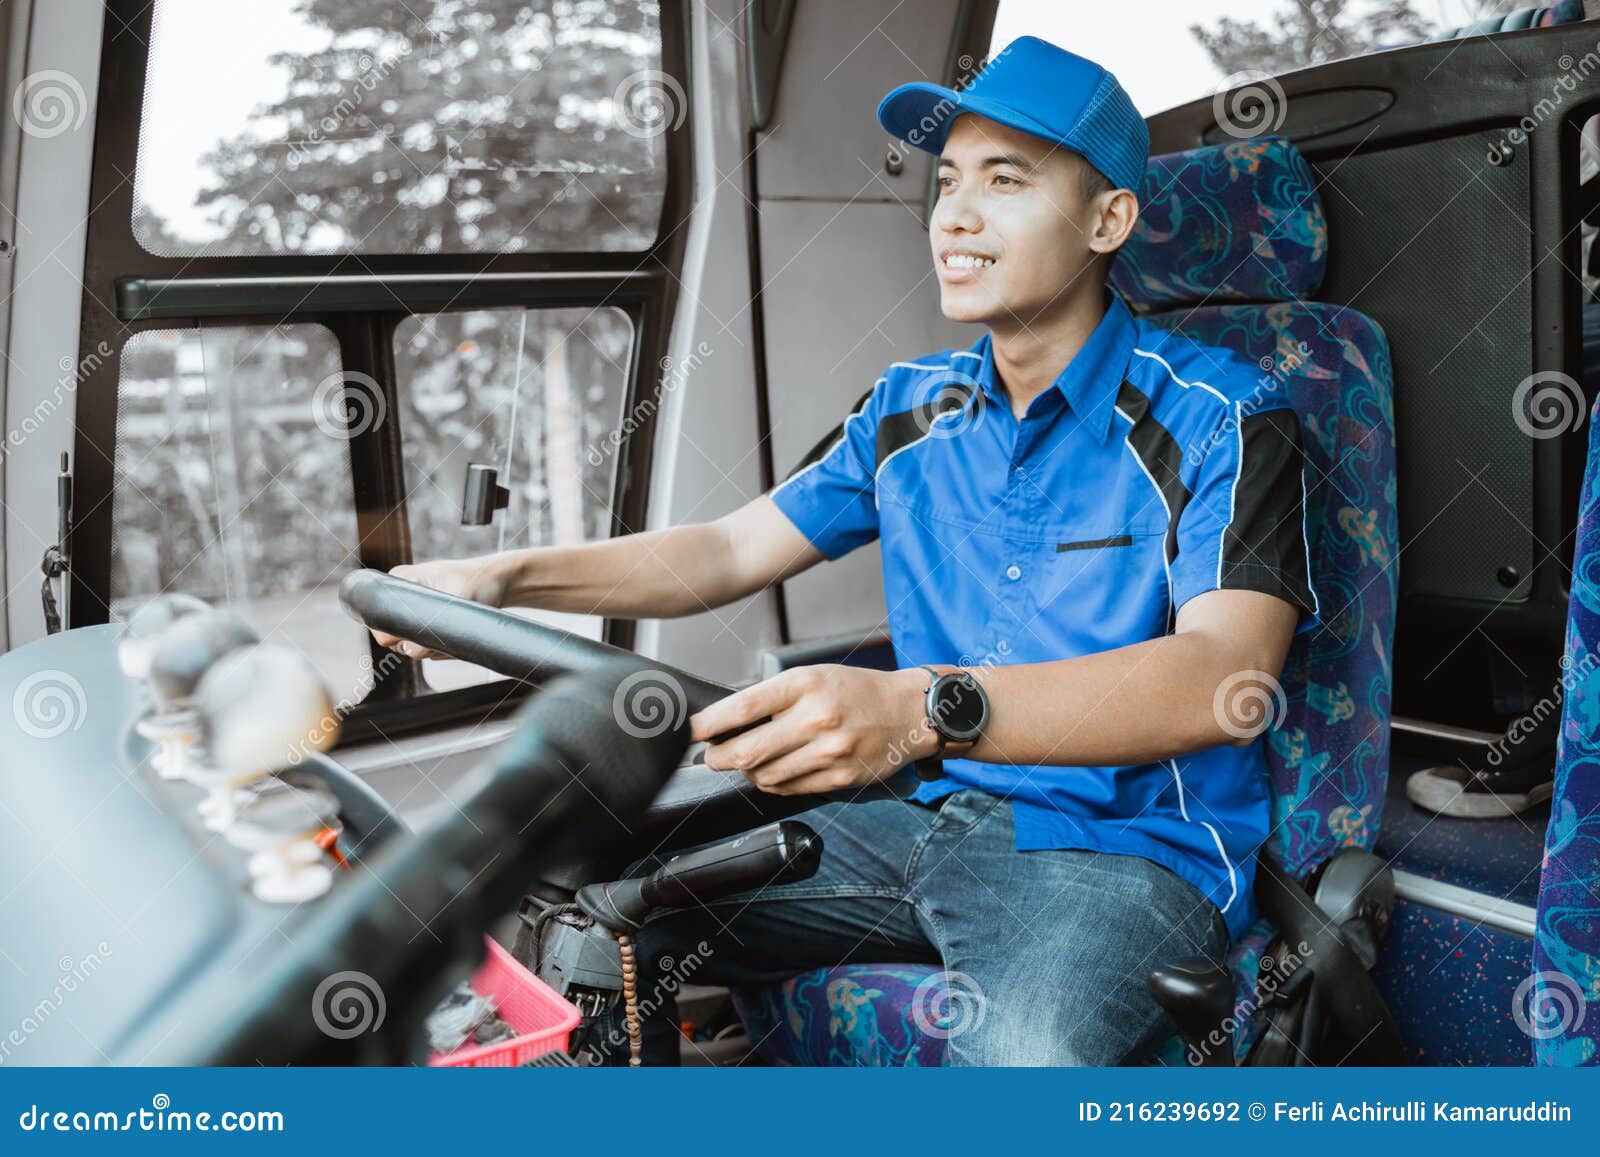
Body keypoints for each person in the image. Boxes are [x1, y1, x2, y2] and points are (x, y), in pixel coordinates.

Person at [372, 37, 1318, 1065]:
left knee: (1026, 1062)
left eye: (1004, 181)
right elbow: (730, 547)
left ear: (1107, 219)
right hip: (911, 818)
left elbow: (1221, 677)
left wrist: (916, 710)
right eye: (946, 180)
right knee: (589, 910)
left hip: (1117, 854)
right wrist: (505, 579)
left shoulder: (1223, 415)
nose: (952, 215)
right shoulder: (908, 406)